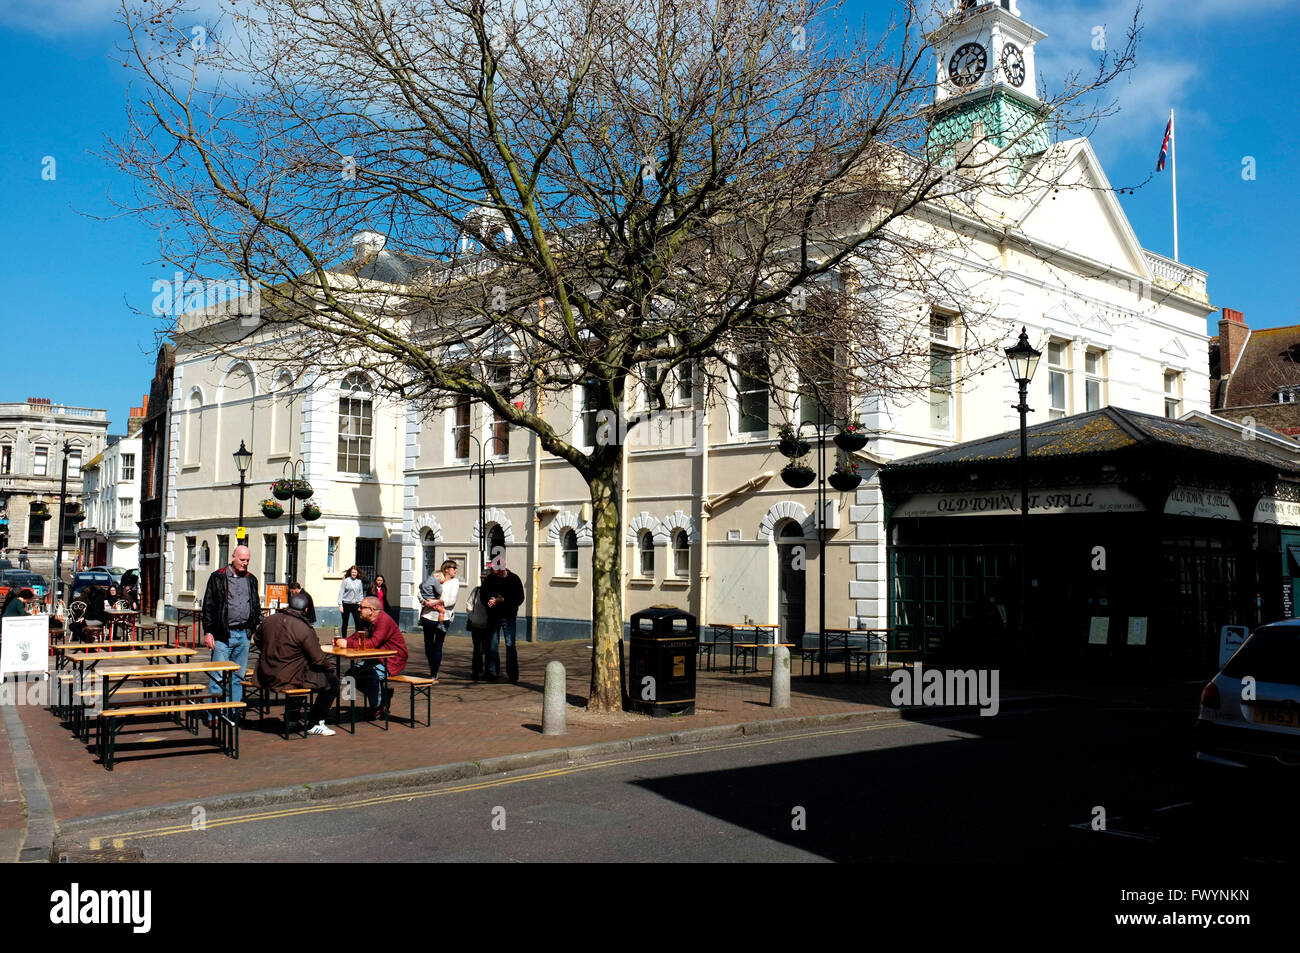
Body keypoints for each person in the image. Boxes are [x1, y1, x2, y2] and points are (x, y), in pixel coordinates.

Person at [255, 591, 338, 736]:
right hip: (288, 678)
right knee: (332, 681)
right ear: (306, 610)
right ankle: (316, 723)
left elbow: (257, 640)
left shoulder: (269, 620)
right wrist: (329, 668)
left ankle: (292, 718)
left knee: (303, 673)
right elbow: (318, 659)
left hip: (265, 673)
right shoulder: (304, 629)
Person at [201, 544, 261, 705]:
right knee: (217, 676)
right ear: (233, 557)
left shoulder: (251, 579)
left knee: (238, 676)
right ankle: (214, 714)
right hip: (222, 635)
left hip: (243, 635)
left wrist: (252, 626)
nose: (245, 563)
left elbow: (255, 604)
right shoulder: (218, 577)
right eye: (242, 560)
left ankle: (232, 712)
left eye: (247, 560)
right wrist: (208, 632)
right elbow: (208, 606)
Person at [334, 595, 407, 718]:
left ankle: (377, 706)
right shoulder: (367, 621)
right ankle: (383, 695)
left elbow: (373, 643)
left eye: (361, 607)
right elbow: (358, 635)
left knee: (370, 675)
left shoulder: (384, 621)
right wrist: (342, 640)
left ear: (371, 610)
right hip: (376, 658)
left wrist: (348, 644)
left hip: (392, 660)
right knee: (350, 674)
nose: (358, 609)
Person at [480, 559, 525, 683]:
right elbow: (483, 595)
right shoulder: (490, 579)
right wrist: (488, 602)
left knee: (510, 645)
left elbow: (520, 598)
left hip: (508, 616)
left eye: (492, 568)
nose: (490, 570)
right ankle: (492, 672)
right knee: (492, 644)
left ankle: (513, 674)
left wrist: (504, 600)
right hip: (493, 615)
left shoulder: (514, 579)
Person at [418, 559, 459, 683]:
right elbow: (420, 592)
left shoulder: (454, 582)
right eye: (454, 567)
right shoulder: (435, 578)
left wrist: (435, 602)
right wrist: (425, 602)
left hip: (443, 617)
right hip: (428, 616)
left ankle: (434, 673)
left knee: (438, 645)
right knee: (428, 645)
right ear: (446, 569)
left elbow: (451, 600)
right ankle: (432, 667)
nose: (455, 570)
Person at [337, 565, 365, 639]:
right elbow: (341, 593)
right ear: (350, 572)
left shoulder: (359, 582)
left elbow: (361, 594)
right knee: (345, 622)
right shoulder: (346, 581)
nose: (354, 574)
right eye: (352, 572)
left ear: (357, 573)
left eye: (355, 572)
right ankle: (344, 638)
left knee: (358, 622)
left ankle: (358, 638)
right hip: (346, 604)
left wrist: (360, 604)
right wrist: (340, 605)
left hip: (355, 604)